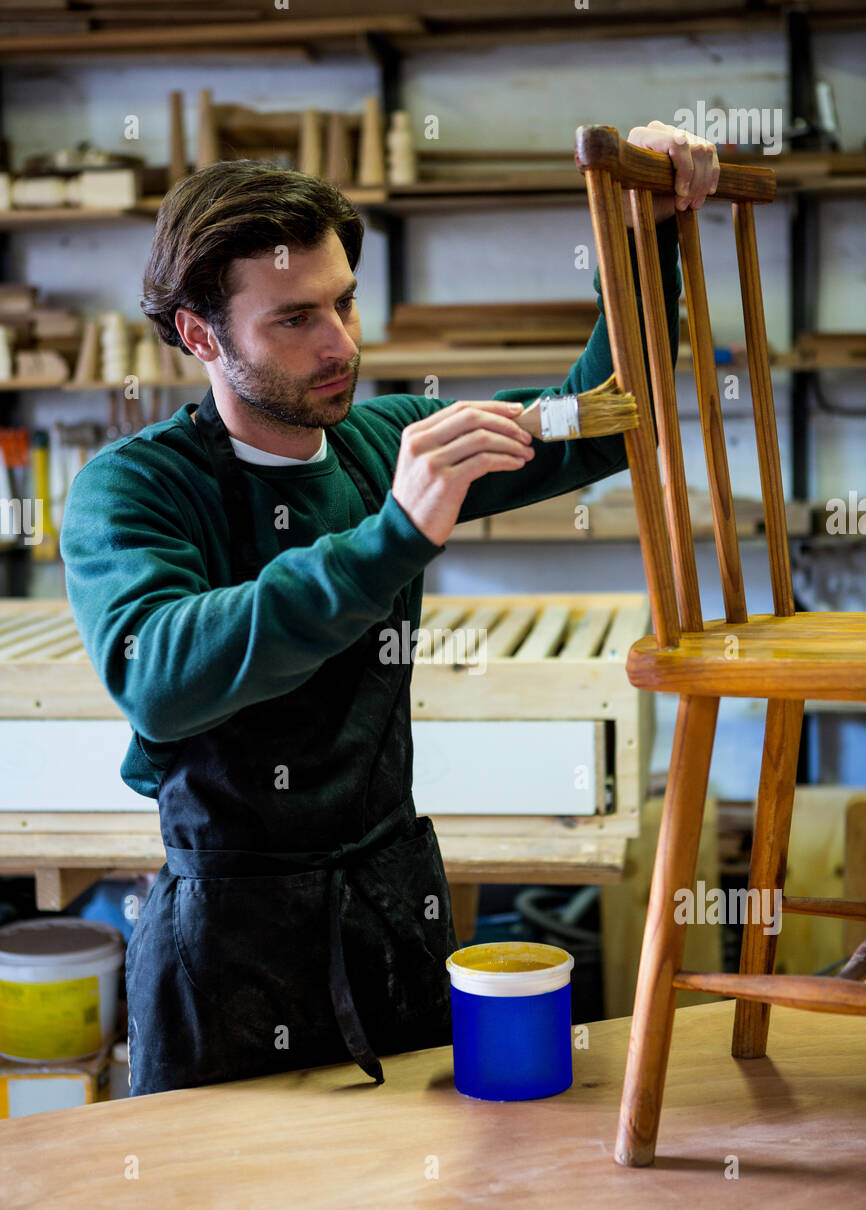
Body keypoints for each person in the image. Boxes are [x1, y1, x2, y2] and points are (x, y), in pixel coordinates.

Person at [59, 120, 718, 1096]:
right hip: (228, 938)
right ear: (199, 334)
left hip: (393, 899)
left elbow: (602, 424)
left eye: (344, 303)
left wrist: (645, 230)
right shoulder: (135, 488)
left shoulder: (386, 439)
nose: (338, 344)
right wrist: (392, 534)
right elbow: (161, 680)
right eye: (292, 319)